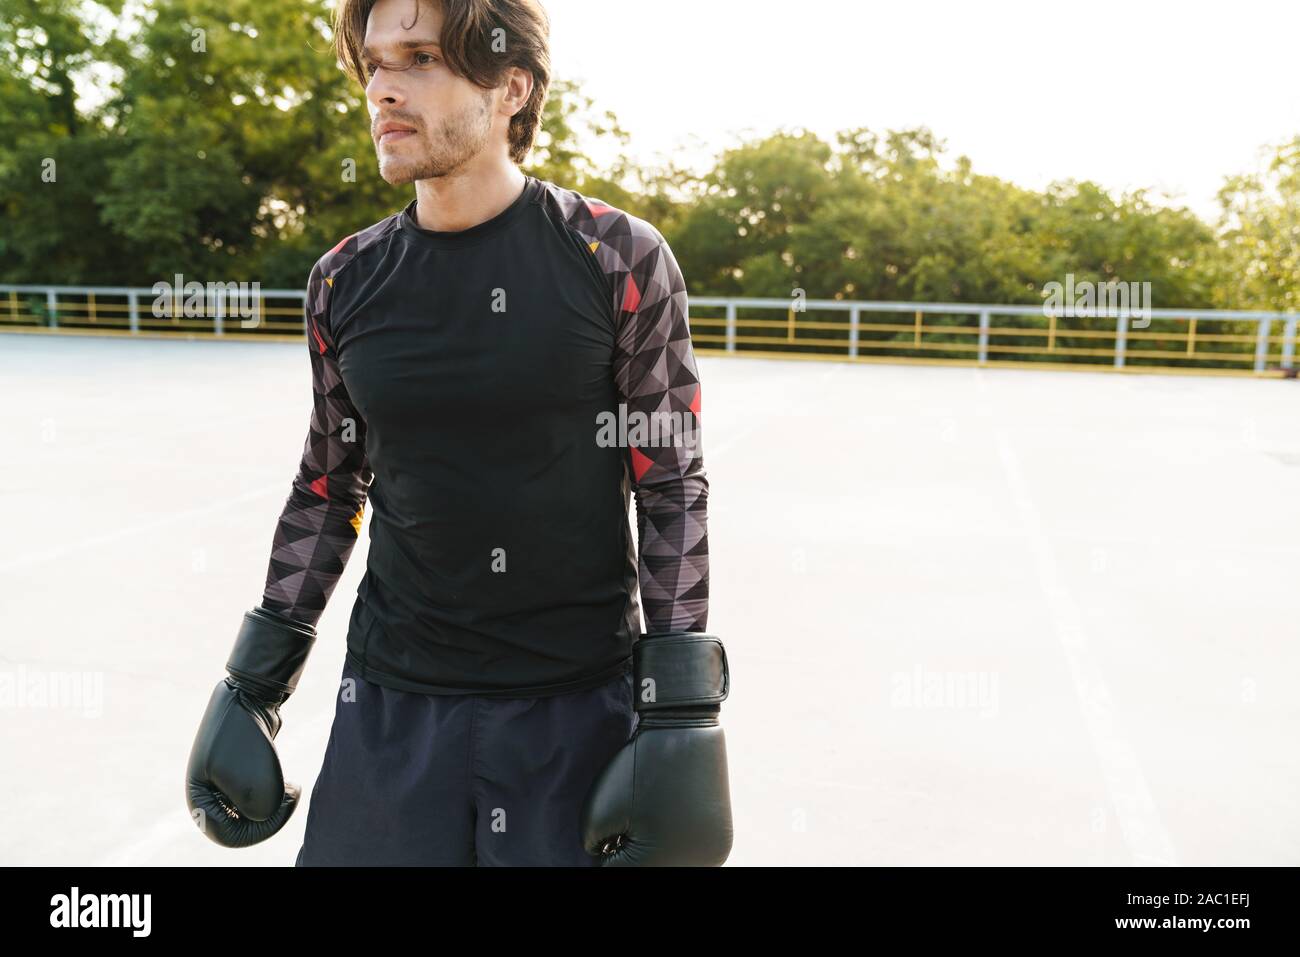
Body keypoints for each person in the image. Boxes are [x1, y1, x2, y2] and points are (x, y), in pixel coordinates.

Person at [184, 0, 732, 866]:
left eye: (422, 59)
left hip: (575, 714)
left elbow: (669, 484)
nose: (385, 90)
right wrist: (254, 680)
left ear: (511, 86)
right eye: (374, 65)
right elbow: (329, 486)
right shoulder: (343, 280)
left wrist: (683, 712)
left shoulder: (618, 257)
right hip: (390, 715)